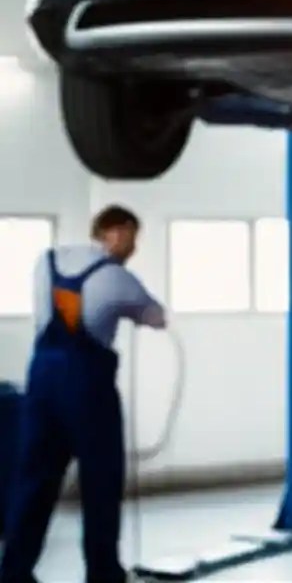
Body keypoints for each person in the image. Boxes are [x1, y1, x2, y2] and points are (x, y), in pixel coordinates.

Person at [1, 205, 167, 583]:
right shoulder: (117, 276)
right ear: (119, 231)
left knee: (33, 482)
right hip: (88, 393)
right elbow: (157, 317)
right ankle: (103, 573)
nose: (133, 248)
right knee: (101, 484)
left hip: (41, 388)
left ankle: (14, 572)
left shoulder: (46, 261)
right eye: (134, 238)